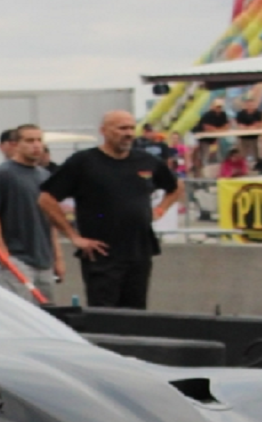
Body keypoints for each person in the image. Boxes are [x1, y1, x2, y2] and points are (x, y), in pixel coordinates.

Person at [39, 110, 182, 310]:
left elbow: (175, 188)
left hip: (139, 251)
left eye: (132, 128)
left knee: (136, 316)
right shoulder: (84, 162)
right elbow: (46, 199)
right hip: (102, 253)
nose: (129, 133)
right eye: (122, 128)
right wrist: (74, 236)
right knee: (105, 316)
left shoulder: (146, 161)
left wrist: (160, 210)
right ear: (104, 131)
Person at [0, 124, 61, 302]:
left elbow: (51, 219)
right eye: (29, 140)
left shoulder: (45, 176)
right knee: (20, 309)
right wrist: (2, 253)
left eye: (39, 140)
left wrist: (58, 257)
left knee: (46, 312)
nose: (36, 145)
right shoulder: (2, 174)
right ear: (16, 144)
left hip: (43, 259)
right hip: (16, 257)